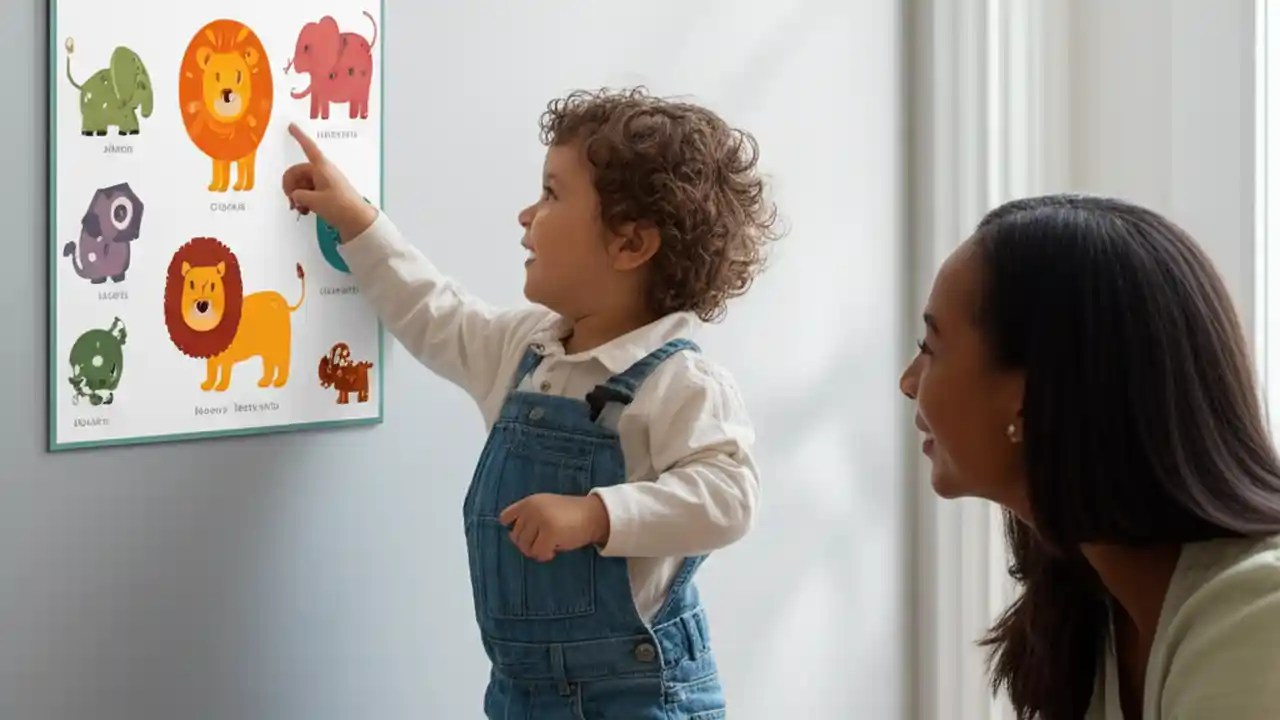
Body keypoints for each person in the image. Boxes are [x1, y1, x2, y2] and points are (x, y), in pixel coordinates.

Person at [282, 87, 781, 718]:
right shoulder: (527, 351)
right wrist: (358, 222)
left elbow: (730, 497)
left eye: (551, 194)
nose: (526, 215)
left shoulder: (680, 383)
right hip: (522, 695)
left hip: (636, 701)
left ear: (630, 244)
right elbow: (434, 312)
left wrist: (596, 514)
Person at [900, 194, 1280, 719]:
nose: (908, 381)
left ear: (1032, 392)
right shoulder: (1095, 614)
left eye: (931, 346)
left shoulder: (1260, 618)